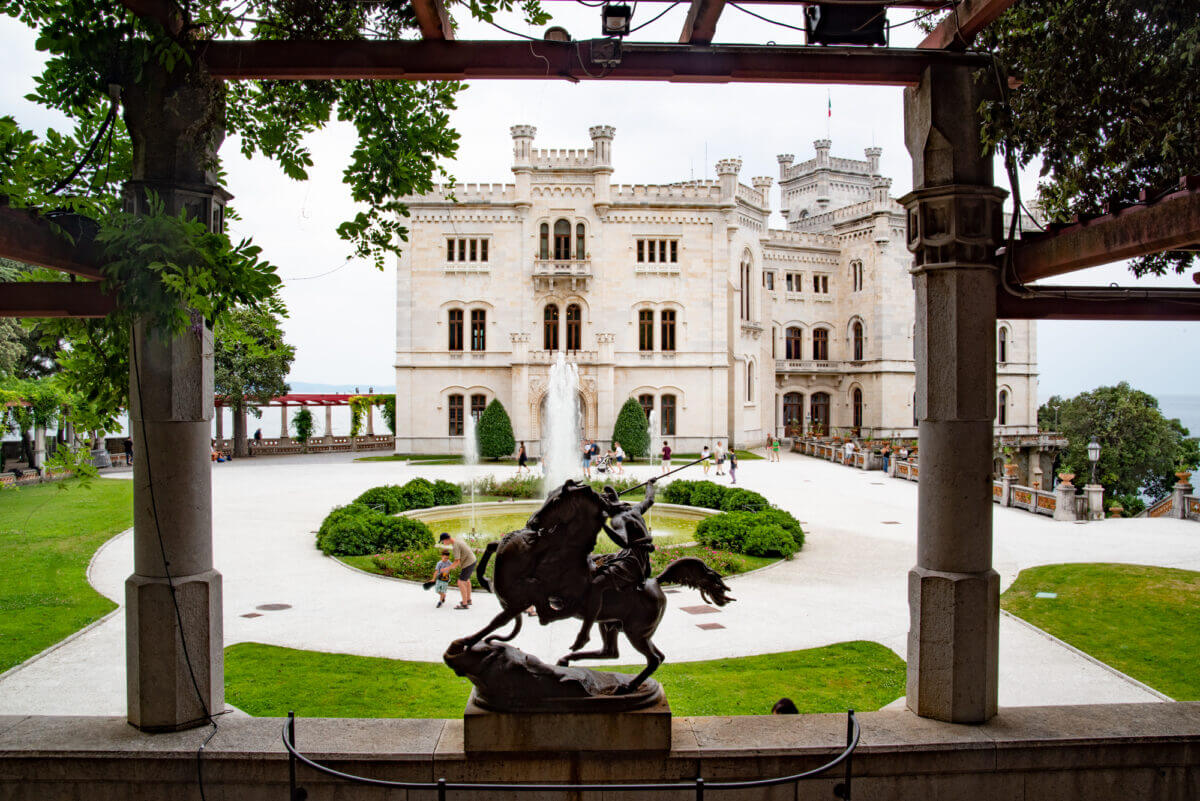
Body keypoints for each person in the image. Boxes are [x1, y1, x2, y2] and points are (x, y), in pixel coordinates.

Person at [571, 480, 657, 651]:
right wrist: (650, 484)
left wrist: (603, 525)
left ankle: (586, 630)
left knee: (597, 584)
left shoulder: (618, 520)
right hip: (637, 558)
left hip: (631, 562)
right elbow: (650, 499)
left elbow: (624, 543)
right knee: (594, 559)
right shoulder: (635, 509)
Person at [439, 532, 477, 609]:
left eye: (442, 541)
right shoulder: (457, 541)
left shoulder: (455, 546)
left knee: (460, 582)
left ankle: (464, 604)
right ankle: (468, 600)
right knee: (466, 580)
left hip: (468, 563)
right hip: (472, 560)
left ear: (446, 540)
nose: (443, 543)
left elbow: (457, 562)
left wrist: (446, 569)